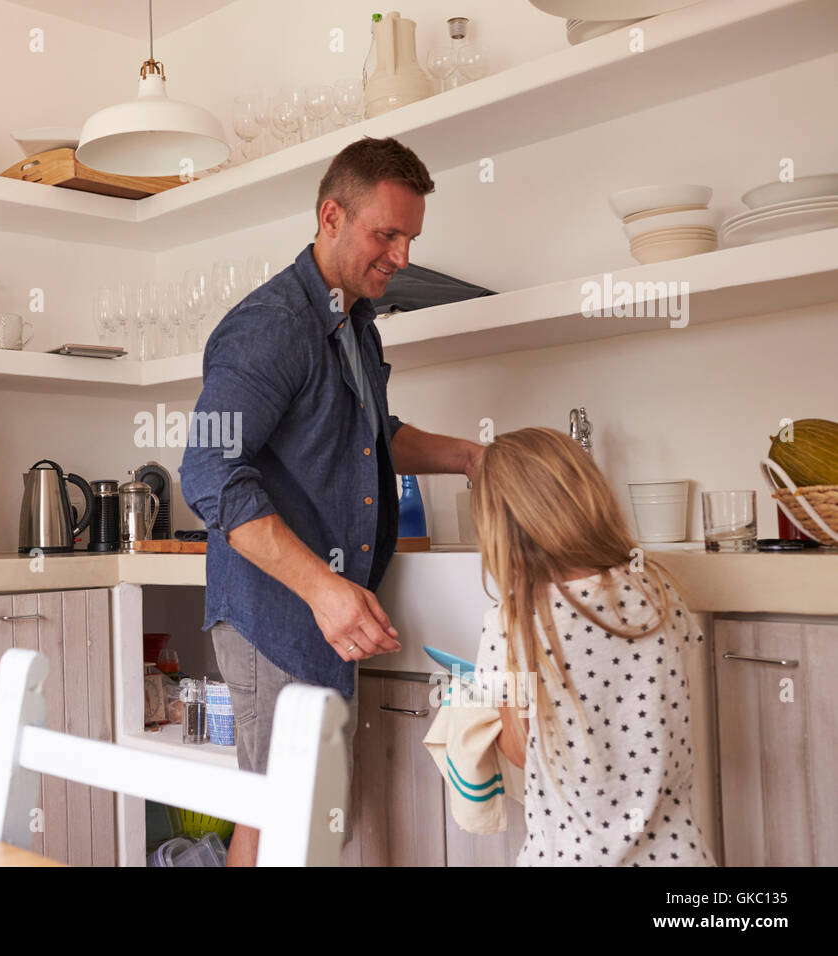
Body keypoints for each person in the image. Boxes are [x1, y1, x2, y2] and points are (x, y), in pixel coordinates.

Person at [179, 136, 484, 866]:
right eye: (387, 234)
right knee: (287, 816)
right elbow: (208, 472)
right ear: (331, 217)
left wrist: (473, 457)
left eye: (410, 238)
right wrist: (324, 590)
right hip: (277, 610)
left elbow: (371, 437)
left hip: (319, 606)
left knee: (293, 814)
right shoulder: (271, 327)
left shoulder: (354, 323)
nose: (402, 256)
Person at [471, 427, 714, 866]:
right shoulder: (658, 590)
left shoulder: (511, 624)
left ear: (498, 527)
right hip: (677, 854)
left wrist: (479, 701)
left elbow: (521, 751)